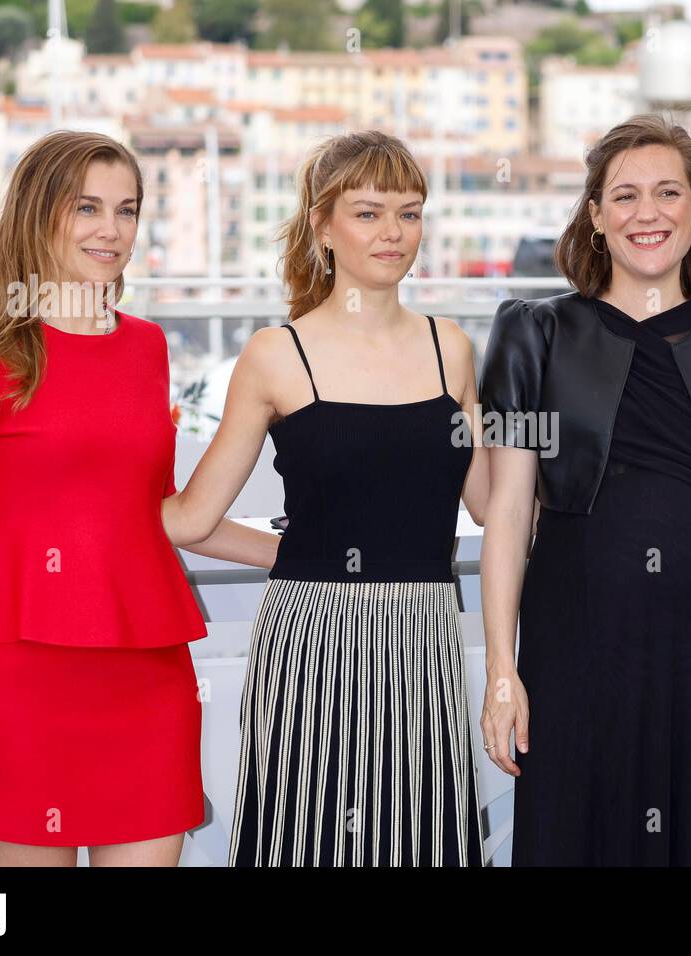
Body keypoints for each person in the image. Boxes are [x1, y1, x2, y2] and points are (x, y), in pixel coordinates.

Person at [0, 130, 280, 867]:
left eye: (127, 209)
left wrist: (299, 554)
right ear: (38, 214)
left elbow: (159, 512)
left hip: (146, 674)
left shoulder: (147, 347)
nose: (111, 230)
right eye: (86, 207)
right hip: (19, 672)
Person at [477, 114, 691, 866]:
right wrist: (502, 670)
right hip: (577, 651)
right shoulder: (536, 333)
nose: (645, 214)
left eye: (666, 192)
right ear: (595, 215)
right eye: (623, 196)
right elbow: (508, 512)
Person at [160, 130, 490, 866]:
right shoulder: (277, 354)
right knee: (302, 841)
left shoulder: (453, 348)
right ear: (322, 224)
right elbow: (189, 519)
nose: (394, 233)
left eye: (409, 213)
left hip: (425, 636)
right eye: (369, 213)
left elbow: (492, 506)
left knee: (423, 840)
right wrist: (41, 510)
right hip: (311, 642)